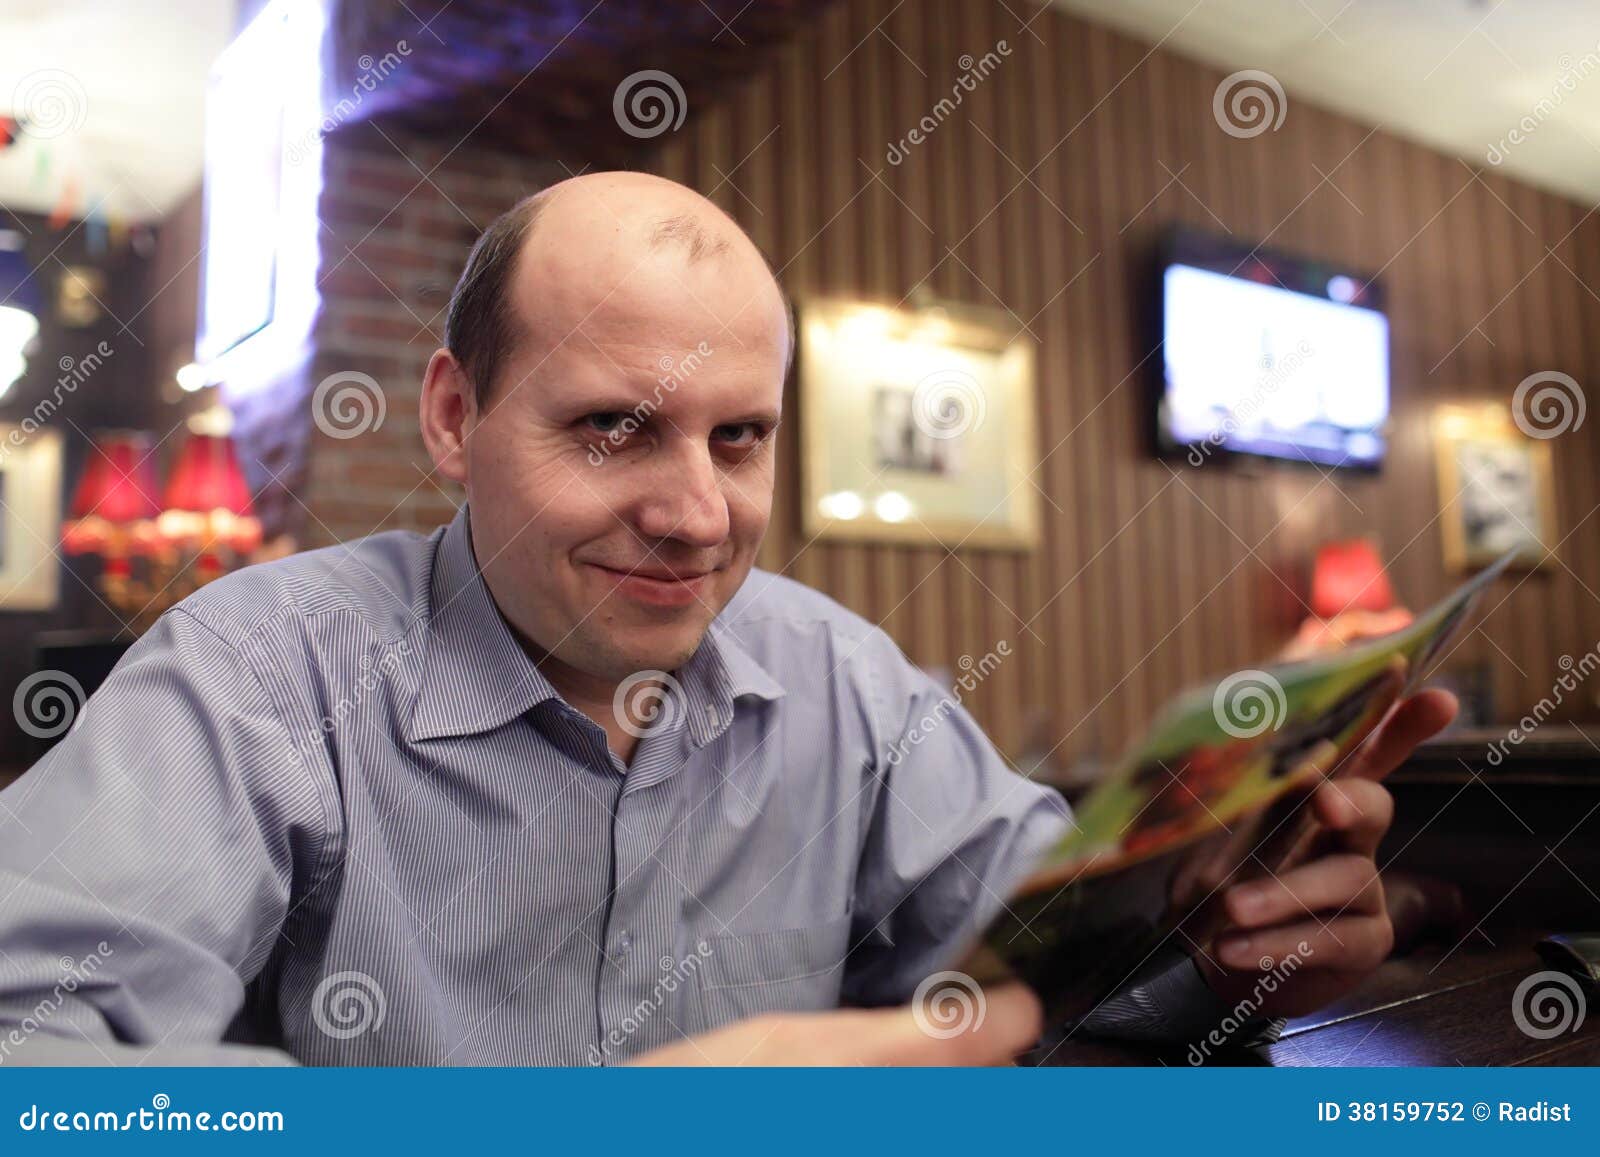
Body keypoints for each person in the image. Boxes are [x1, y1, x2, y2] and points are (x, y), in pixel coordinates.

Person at [0, 172, 1455, 1066]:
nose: (698, 514)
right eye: (613, 428)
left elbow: (1048, 977)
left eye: (740, 438)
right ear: (453, 417)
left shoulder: (847, 684)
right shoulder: (256, 676)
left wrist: (1227, 945)